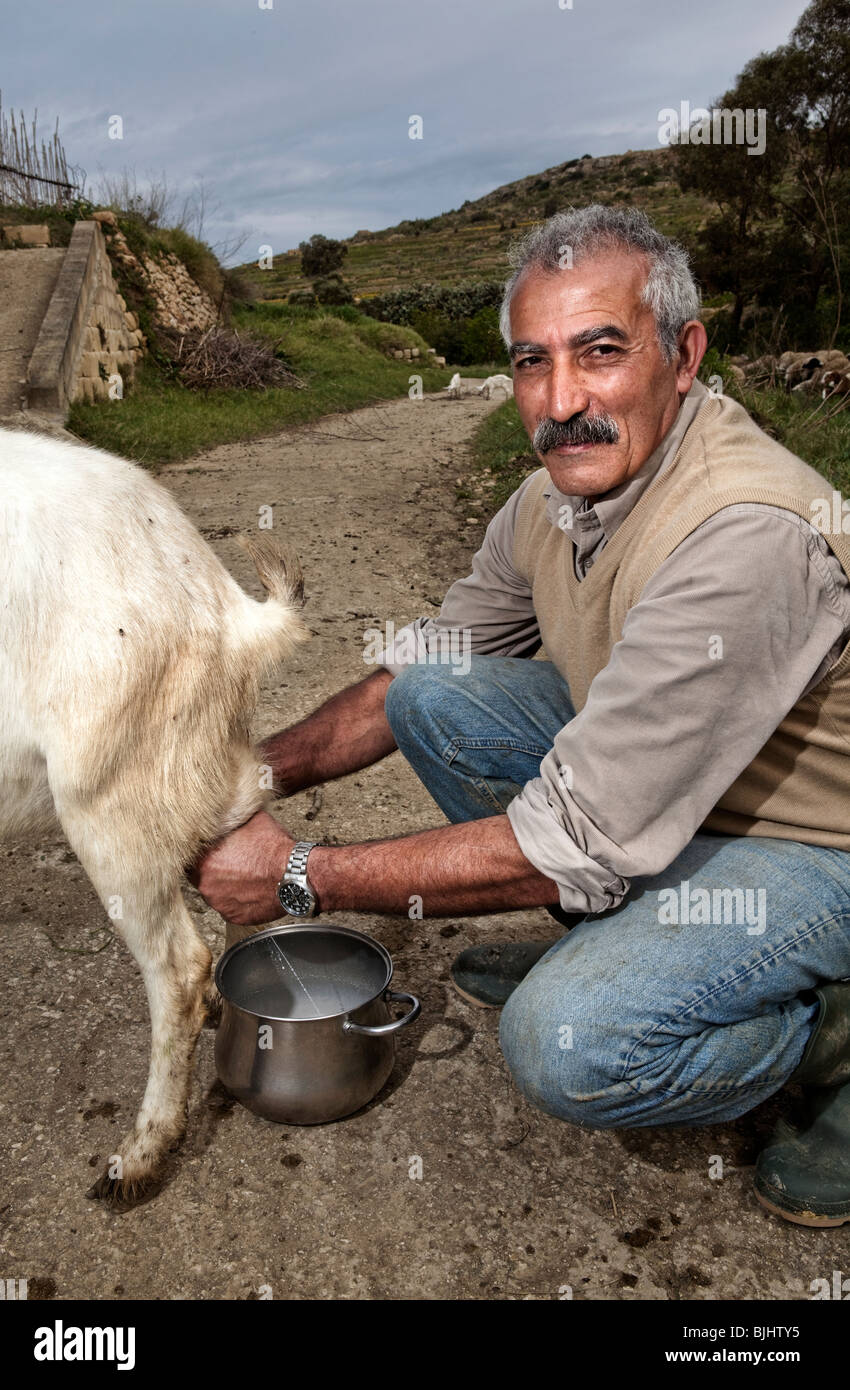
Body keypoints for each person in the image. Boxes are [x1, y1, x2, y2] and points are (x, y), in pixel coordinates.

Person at [193, 205, 850, 1228]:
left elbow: (571, 835)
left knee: (569, 1043)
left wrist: (293, 875)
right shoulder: (549, 500)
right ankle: (627, 932)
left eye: (598, 353)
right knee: (432, 692)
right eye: (530, 362)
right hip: (677, 794)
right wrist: (242, 782)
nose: (560, 401)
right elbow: (426, 663)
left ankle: (821, 1028)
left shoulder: (745, 534)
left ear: (682, 357)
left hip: (811, 841)